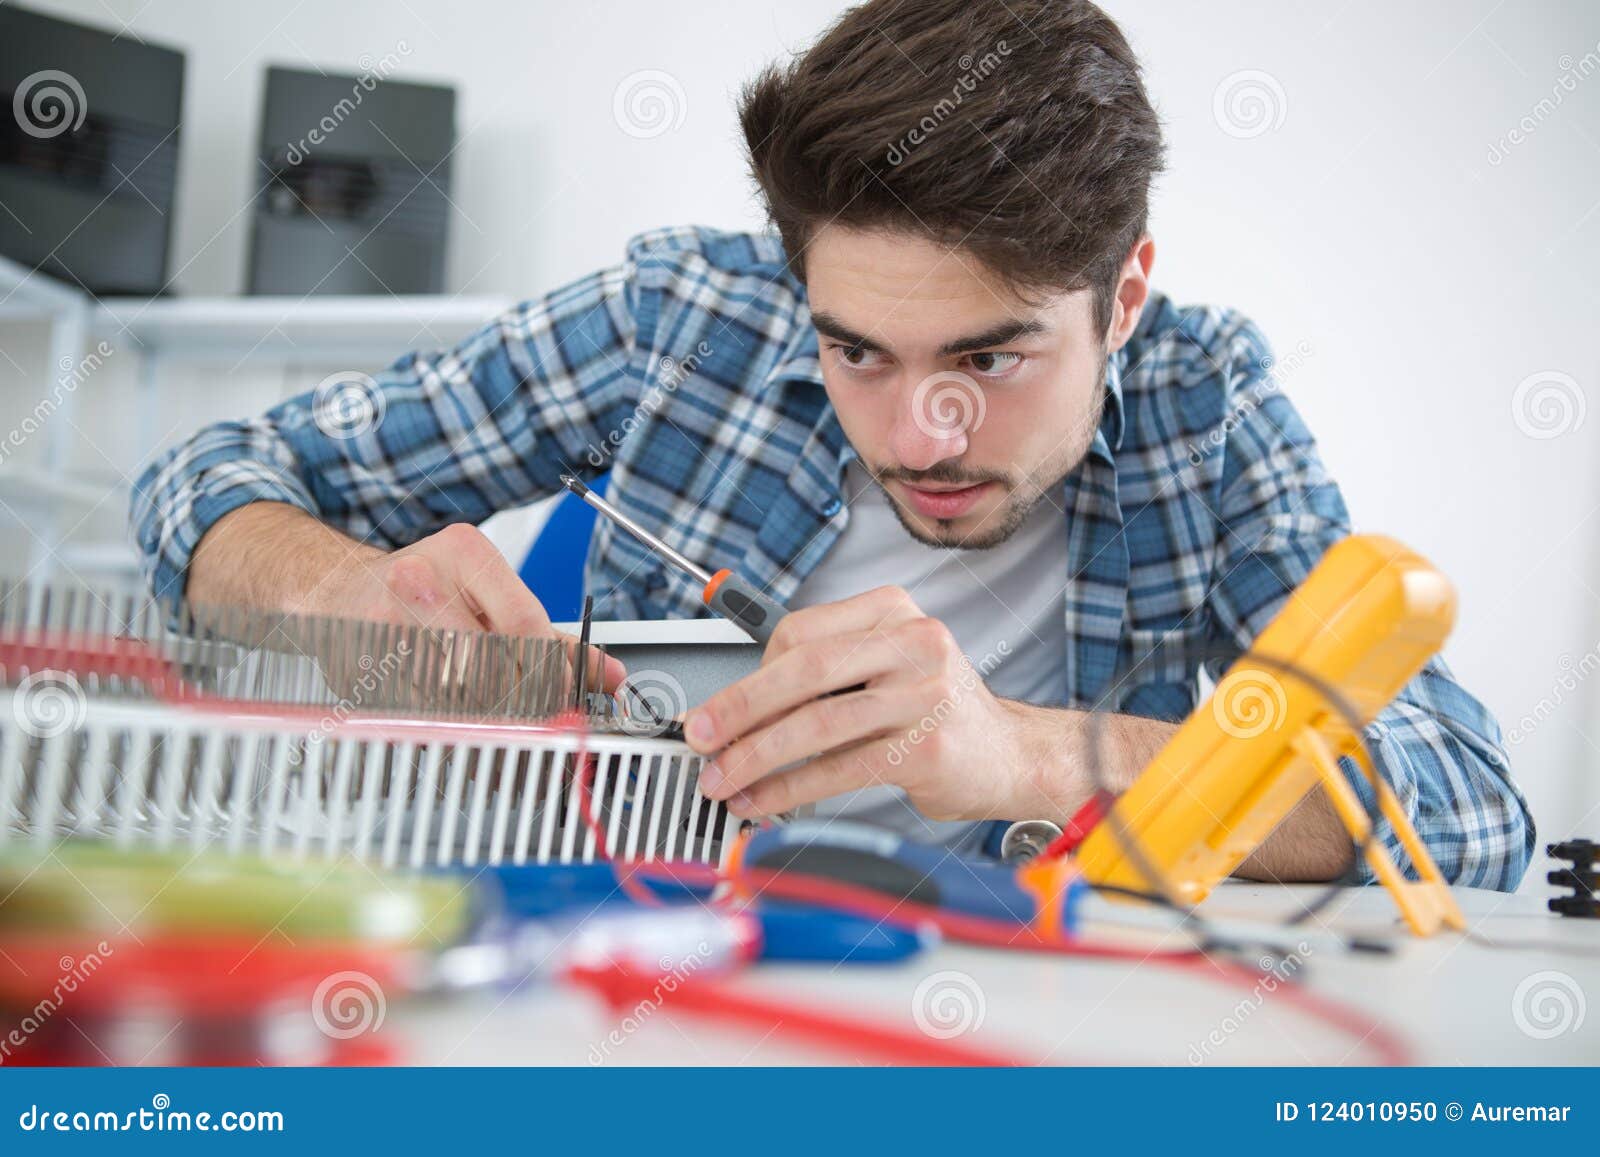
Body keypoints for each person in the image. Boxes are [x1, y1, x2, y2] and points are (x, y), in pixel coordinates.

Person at [131, 0, 1533, 888]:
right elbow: (207, 480)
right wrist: (342, 595)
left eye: (991, 357)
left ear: (1126, 297)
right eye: (857, 349)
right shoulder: (684, 317)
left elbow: (1468, 802)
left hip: (1022, 1022)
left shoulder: (1205, 406)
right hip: (634, 970)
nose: (924, 430)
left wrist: (1034, 757)